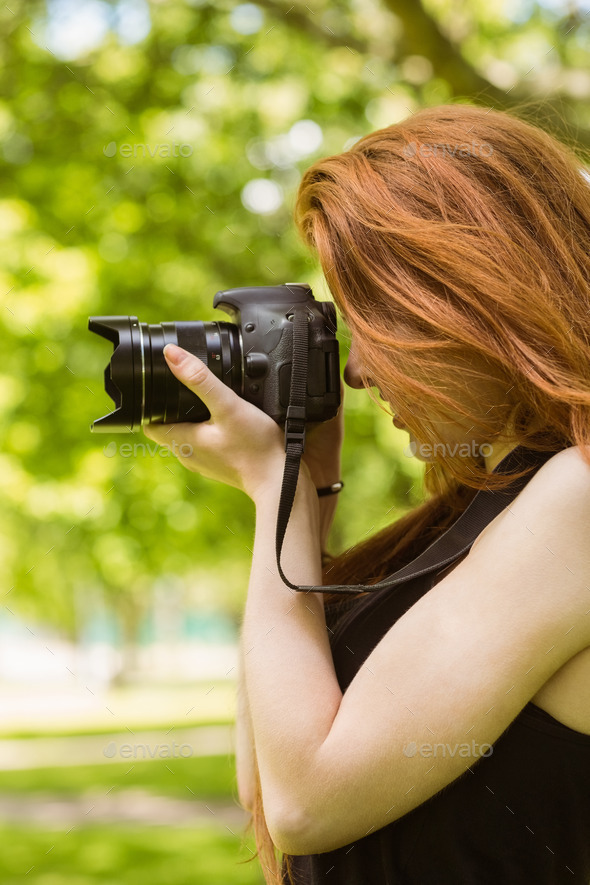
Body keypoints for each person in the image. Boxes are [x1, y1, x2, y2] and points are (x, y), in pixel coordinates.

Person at [144, 103, 590, 884]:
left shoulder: (577, 496)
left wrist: (273, 480)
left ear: (465, 301)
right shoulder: (474, 514)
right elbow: (270, 781)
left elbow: (310, 801)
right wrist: (300, 493)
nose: (356, 372)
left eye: (370, 326)